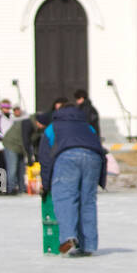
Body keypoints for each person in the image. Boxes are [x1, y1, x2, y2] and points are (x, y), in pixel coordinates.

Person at [39, 102, 107, 255]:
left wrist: (46, 184)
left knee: (65, 198)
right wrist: (101, 179)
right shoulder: (87, 126)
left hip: (67, 157)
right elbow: (100, 149)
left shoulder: (53, 127)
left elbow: (45, 158)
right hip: (93, 158)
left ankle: (68, 236)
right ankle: (88, 245)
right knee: (88, 201)